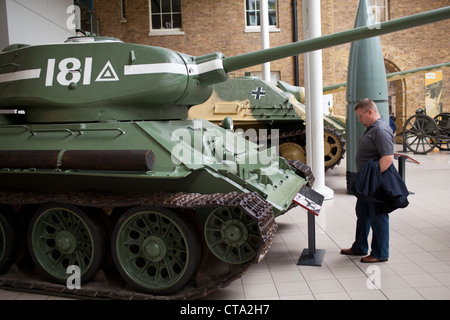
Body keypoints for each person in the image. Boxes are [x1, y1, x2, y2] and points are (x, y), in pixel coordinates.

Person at [341, 98, 394, 263]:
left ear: (369, 111)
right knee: (363, 214)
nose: (359, 120)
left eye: (360, 116)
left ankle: (380, 253)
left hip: (375, 183)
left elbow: (387, 159)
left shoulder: (381, 130)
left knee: (378, 216)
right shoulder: (373, 128)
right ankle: (360, 246)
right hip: (367, 182)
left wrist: (372, 179)